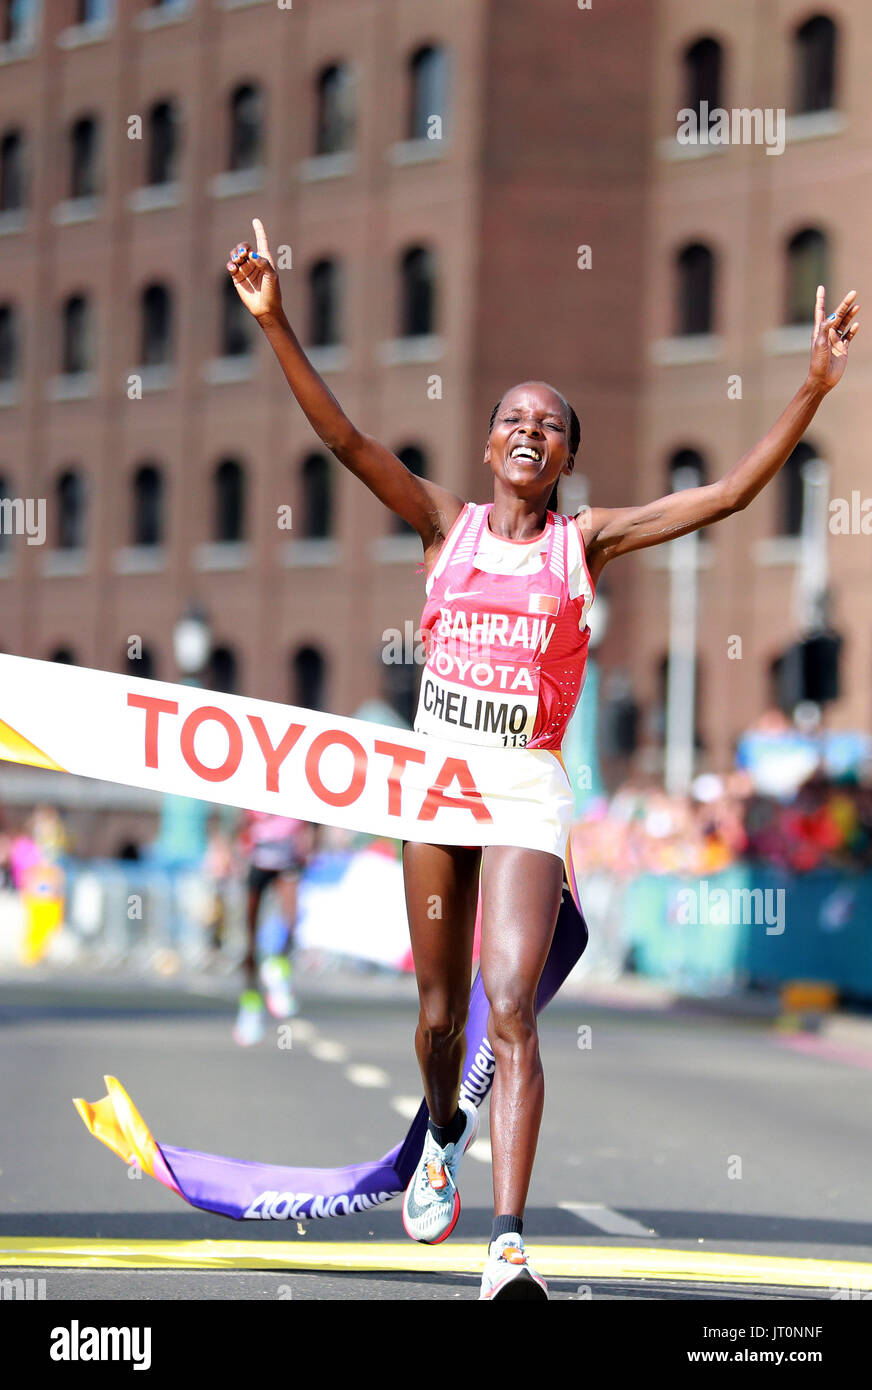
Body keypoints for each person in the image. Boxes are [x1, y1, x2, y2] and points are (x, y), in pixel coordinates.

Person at [227, 218, 858, 1299]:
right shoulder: (440, 523)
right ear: (486, 448)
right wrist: (277, 320)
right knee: (437, 1021)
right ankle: (438, 1131)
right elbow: (343, 443)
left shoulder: (588, 542)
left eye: (549, 425)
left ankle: (508, 1241)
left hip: (522, 788)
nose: (529, 430)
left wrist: (809, 389)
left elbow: (726, 498)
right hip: (434, 784)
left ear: (566, 456)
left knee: (507, 1004)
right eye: (511, 419)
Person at [233, 810, 316, 1046]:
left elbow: (312, 823)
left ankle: (278, 968)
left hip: (287, 863)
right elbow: (237, 822)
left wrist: (309, 844)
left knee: (292, 921)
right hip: (257, 863)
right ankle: (250, 1005)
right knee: (250, 942)